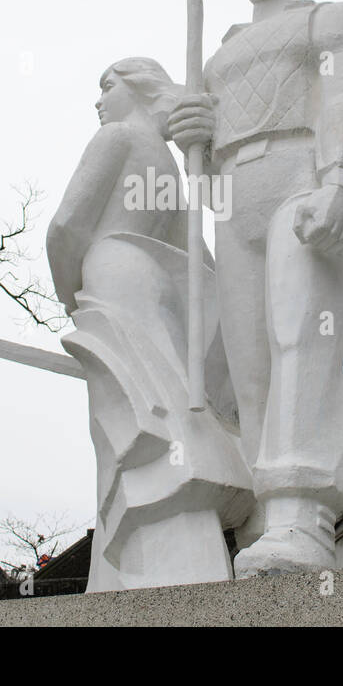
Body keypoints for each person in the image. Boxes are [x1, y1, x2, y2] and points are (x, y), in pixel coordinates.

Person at [167, 0, 343, 576]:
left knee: (299, 338)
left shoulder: (331, 19)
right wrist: (192, 133)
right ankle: (267, 511)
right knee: (250, 363)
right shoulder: (220, 53)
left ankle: (305, 508)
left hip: (300, 172)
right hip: (234, 191)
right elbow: (201, 171)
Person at [47, 58, 251, 591]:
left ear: (137, 90)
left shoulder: (116, 138)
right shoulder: (167, 164)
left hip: (112, 276)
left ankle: (134, 565)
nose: (99, 100)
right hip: (156, 290)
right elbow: (199, 262)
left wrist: (69, 293)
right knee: (156, 404)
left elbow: (67, 225)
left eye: (107, 85)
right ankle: (133, 566)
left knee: (126, 415)